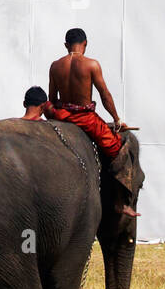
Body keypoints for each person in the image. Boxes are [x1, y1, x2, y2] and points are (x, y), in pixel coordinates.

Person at [45, 28, 138, 217]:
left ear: (66, 45)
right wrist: (116, 120)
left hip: (63, 116)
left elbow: (52, 98)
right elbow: (105, 95)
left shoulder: (55, 66)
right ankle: (121, 202)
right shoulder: (91, 65)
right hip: (86, 119)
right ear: (85, 44)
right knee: (117, 149)